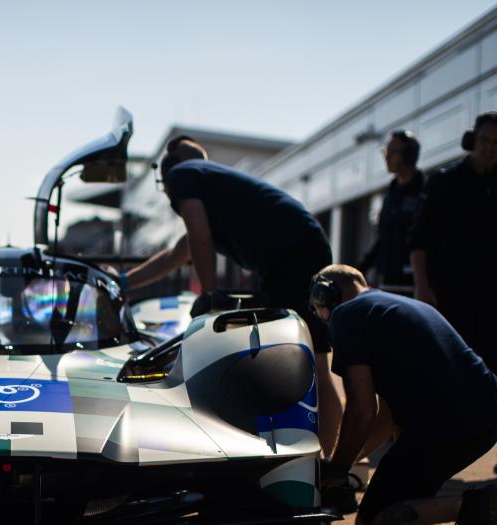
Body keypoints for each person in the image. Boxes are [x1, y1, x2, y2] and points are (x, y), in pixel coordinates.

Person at [122, 136, 343, 454]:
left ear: (166, 179)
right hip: (305, 245)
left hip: (290, 255)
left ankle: (320, 462)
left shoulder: (181, 175)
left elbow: (200, 236)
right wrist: (124, 281)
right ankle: (331, 463)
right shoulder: (213, 184)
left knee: (304, 359)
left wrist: (210, 294)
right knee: (317, 356)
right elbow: (177, 254)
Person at [312, 264, 497, 525]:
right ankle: (415, 514)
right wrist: (347, 462)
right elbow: (386, 416)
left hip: (444, 425)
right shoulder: (399, 306)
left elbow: (362, 410)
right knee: (401, 435)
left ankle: (468, 508)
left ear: (324, 293)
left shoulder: (347, 315)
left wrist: (336, 469)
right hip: (488, 415)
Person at [410, 111, 497, 478]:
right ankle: (435, 446)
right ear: (473, 140)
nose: (490, 148)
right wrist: (423, 288)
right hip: (450, 296)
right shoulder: (444, 182)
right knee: (446, 370)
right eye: (484, 140)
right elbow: (418, 242)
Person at [359, 130, 423, 291]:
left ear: (409, 155)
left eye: (391, 152)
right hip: (387, 280)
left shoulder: (425, 192)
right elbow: (383, 238)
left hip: (414, 284)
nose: (385, 157)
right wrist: (359, 269)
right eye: (385, 151)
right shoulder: (390, 194)